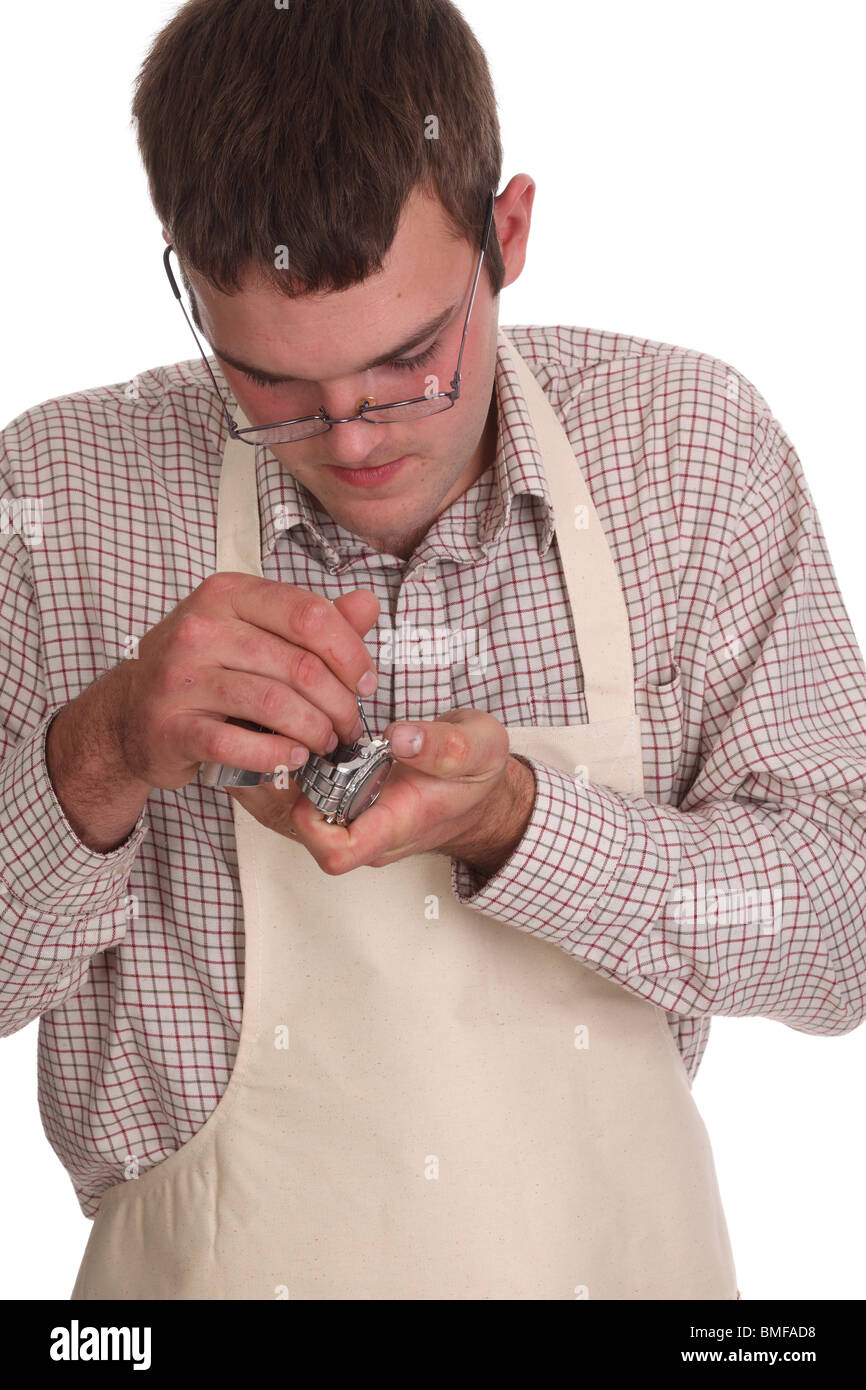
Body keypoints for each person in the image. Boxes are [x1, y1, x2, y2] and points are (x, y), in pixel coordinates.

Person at [2, 0, 865, 1301]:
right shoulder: (57, 493)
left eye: (409, 360)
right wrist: (102, 751)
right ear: (183, 280)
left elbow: (842, 935)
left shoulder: (691, 451)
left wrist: (523, 826)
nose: (350, 439)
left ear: (505, 233)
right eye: (273, 384)